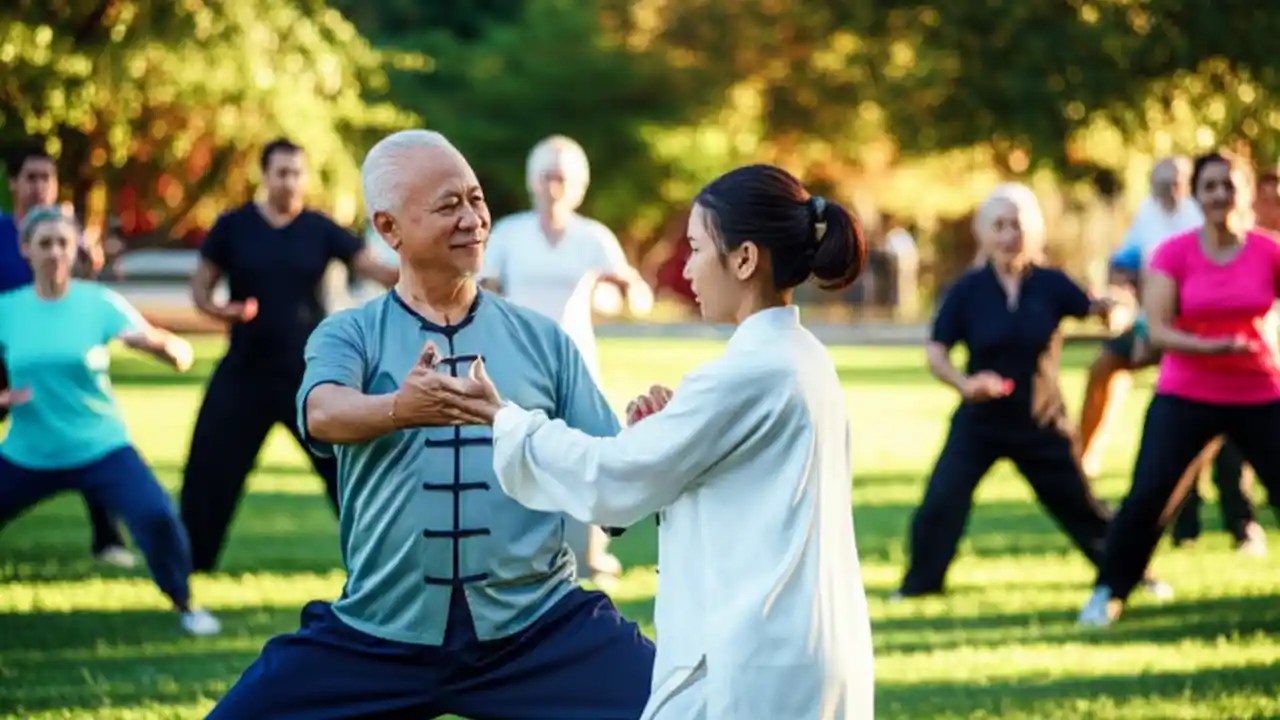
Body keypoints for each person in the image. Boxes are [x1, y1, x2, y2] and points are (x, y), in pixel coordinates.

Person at [207, 130, 654, 719]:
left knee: (685, 705)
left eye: (476, 200)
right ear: (389, 230)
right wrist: (400, 409)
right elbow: (323, 411)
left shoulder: (544, 341)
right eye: (449, 205)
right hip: (378, 633)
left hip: (537, 630)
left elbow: (611, 484)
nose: (473, 218)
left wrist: (648, 439)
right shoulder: (350, 333)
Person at [437, 164, 876, 719]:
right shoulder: (802, 357)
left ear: (744, 259)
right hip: (804, 645)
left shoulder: (743, 376)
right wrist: (676, 434)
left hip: (752, 657)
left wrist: (502, 419)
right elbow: (743, 482)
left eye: (695, 248)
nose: (686, 269)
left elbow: (611, 478)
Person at [894, 184, 1172, 600]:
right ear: (984, 233)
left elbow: (1098, 310)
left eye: (1017, 225)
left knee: (1082, 507)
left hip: (1040, 421)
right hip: (980, 423)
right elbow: (936, 351)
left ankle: (1129, 573)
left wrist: (1114, 306)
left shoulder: (1050, 284)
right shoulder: (967, 290)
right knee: (940, 502)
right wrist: (965, 385)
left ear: (1033, 231)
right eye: (999, 225)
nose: (1009, 235)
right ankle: (919, 587)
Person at [1078, 151, 1280, 627]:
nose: (1219, 195)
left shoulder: (1270, 251)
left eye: (1229, 185)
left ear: (1246, 193)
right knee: (1149, 496)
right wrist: (1212, 348)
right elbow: (1158, 331)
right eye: (1209, 187)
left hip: (1258, 391)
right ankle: (1109, 591)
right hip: (1186, 393)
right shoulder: (1175, 253)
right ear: (1197, 196)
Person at [179, 138, 398, 572]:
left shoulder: (320, 228)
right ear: (265, 175)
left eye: (297, 173)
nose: (291, 181)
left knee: (344, 469)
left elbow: (375, 270)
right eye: (282, 173)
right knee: (210, 468)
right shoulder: (234, 226)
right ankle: (190, 563)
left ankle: (377, 561)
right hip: (244, 372)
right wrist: (222, 310)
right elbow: (200, 289)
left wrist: (427, 279)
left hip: (309, 377)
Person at [0, 206, 219, 636]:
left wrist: (164, 348)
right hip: (29, 451)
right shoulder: (8, 310)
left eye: (63, 243)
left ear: (75, 250)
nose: (55, 253)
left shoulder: (96, 303)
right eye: (44, 244)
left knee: (156, 517)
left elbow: (159, 341)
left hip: (100, 447)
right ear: (26, 249)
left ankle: (185, 603)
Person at [478, 135, 652, 584]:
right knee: (513, 455)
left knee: (586, 459)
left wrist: (626, 289)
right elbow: (485, 296)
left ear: (578, 185)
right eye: (546, 176)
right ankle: (506, 555)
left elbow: (634, 295)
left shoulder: (593, 238)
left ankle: (589, 555)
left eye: (563, 178)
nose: (554, 187)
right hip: (516, 363)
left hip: (577, 363)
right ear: (532, 181)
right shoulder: (509, 234)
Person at [0, 144, 133, 568]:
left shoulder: (67, 238)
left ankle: (108, 539)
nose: (40, 187)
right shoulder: (2, 235)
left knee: (89, 437)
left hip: (56, 364)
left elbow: (85, 303)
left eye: (47, 178)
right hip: (7, 357)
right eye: (31, 177)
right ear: (13, 183)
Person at [1078, 158, 1202, 477]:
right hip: (1151, 320)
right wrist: (1116, 296)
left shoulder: (1197, 216)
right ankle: (1085, 455)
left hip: (1191, 326)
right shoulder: (1149, 213)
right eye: (1161, 184)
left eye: (1174, 184)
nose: (1168, 191)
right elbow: (1124, 260)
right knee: (1104, 365)